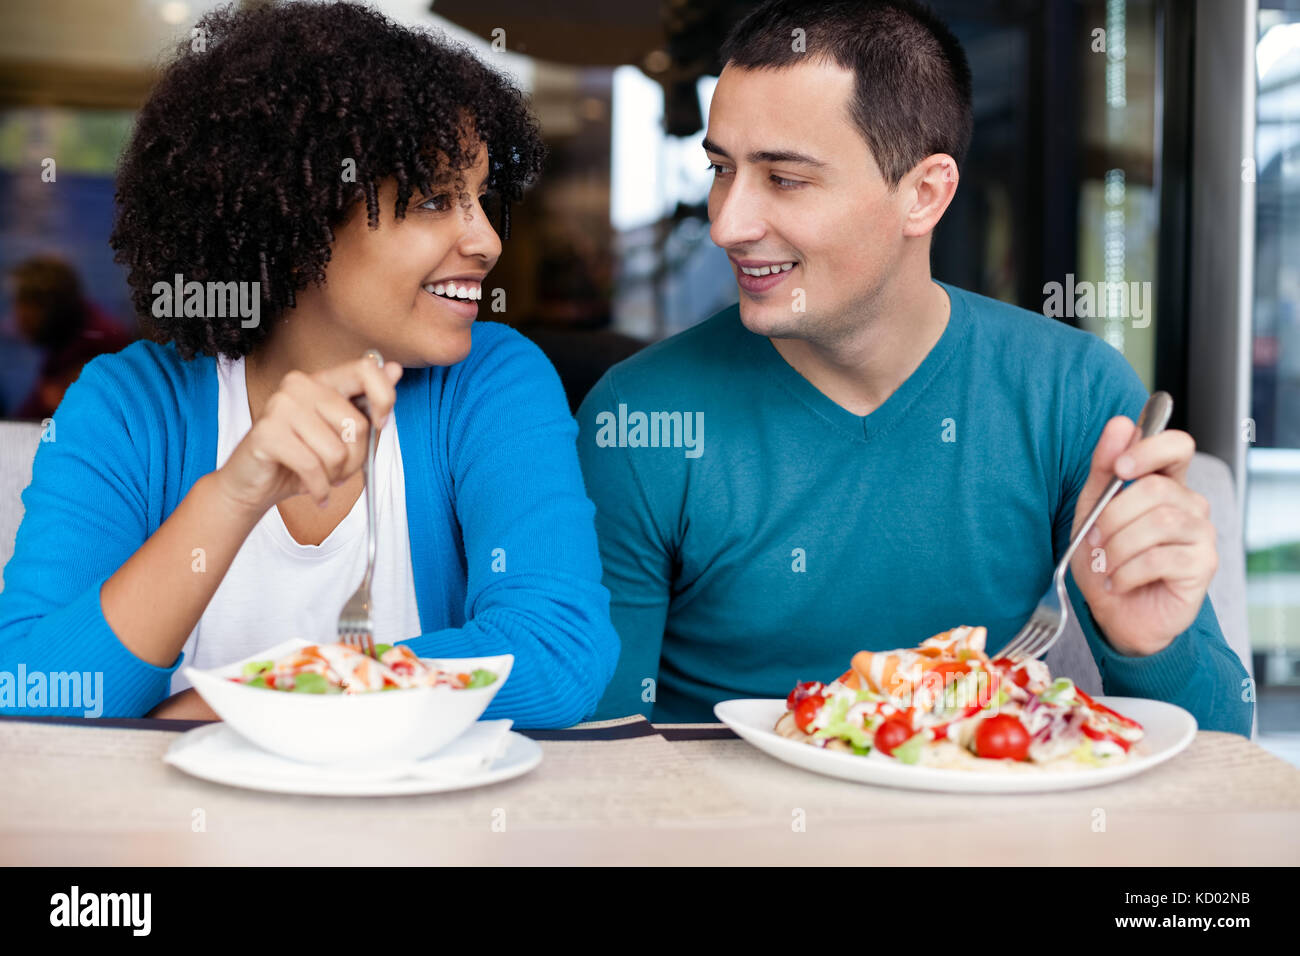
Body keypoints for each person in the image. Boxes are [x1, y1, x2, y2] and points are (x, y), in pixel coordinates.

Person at [577, 0, 1252, 735]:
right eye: (721, 169)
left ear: (923, 194)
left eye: (785, 179)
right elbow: (601, 754)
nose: (726, 224)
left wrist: (1147, 644)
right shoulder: (639, 420)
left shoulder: (1074, 395)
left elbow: (1222, 747)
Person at [0, 2, 618, 727]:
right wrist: (232, 496)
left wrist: (259, 701)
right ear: (295, 225)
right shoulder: (131, 406)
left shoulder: (490, 382)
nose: (485, 241)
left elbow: (557, 655)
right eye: (433, 201)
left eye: (481, 200)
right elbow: (32, 693)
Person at [8, 255, 135, 421]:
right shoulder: (76, 334)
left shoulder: (96, 348)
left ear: (45, 306)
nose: (17, 319)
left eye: (23, 309)